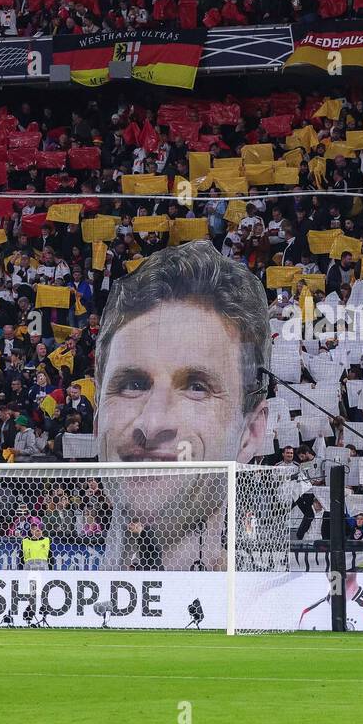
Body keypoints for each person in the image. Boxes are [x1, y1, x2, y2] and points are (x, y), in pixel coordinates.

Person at [95, 241, 270, 572]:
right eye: (133, 384)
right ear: (96, 415)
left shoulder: (262, 614)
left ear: (251, 432)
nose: (152, 423)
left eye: (196, 387)